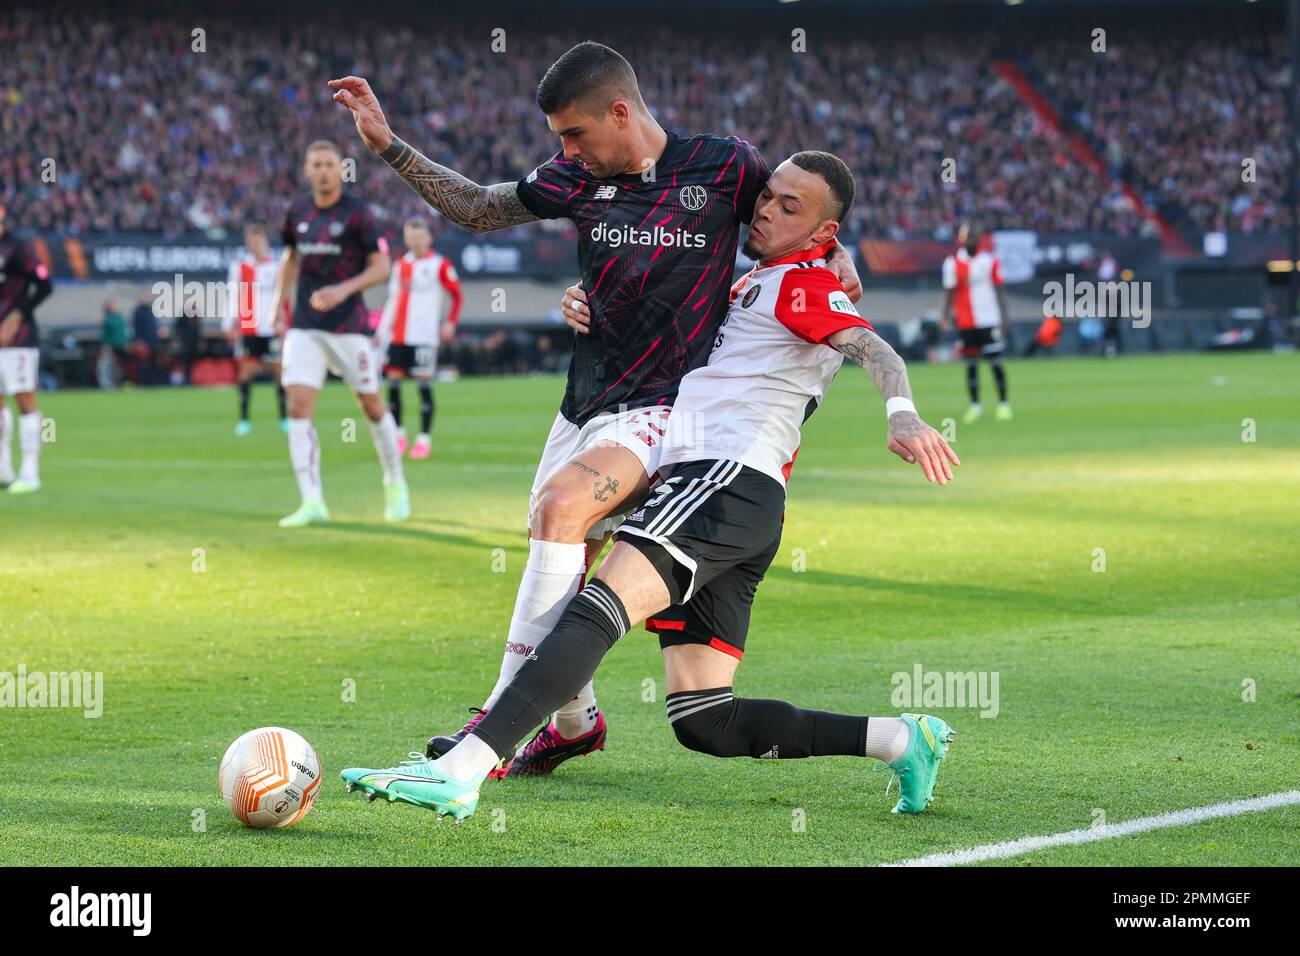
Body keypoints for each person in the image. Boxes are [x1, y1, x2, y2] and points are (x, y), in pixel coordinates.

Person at [341, 152, 959, 821]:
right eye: (769, 196)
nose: (767, 209)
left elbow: (874, 349)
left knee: (598, 604)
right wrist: (590, 303)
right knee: (704, 718)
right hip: (742, 503)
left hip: (722, 480)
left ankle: (463, 767)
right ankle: (901, 738)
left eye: (791, 208)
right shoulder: (756, 283)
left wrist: (903, 413)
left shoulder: (802, 284)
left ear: (822, 234)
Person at [330, 42, 862, 775]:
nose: (566, 150)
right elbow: (482, 209)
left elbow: (802, 209)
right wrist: (389, 146)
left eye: (574, 133)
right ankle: (575, 721)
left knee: (561, 509)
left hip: (665, 407)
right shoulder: (574, 177)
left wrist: (842, 257)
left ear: (621, 112)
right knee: (559, 548)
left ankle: (492, 728)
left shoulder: (725, 167)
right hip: (585, 400)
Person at [267, 140, 405, 527]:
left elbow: (382, 266)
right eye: (317, 164)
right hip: (306, 327)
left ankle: (395, 483)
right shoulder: (297, 212)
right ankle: (312, 501)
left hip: (349, 327)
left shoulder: (358, 214)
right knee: (297, 404)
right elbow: (291, 258)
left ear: (340, 170)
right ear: (307, 170)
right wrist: (278, 304)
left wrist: (343, 290)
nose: (324, 170)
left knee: (372, 406)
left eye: (330, 164)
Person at [374, 218, 461, 460]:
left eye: (419, 235)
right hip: (398, 335)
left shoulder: (439, 264)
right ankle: (399, 434)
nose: (415, 240)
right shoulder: (399, 265)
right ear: (405, 238)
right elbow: (392, 300)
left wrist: (450, 322)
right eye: (410, 236)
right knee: (393, 383)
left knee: (423, 384)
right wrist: (382, 330)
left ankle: (423, 439)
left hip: (424, 335)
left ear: (428, 238)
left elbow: (456, 295)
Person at [0, 202, 53, 494]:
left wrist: (17, 316)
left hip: (18, 340)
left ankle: (30, 473)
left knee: (24, 401)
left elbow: (45, 285)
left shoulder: (17, 248)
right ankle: (4, 470)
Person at [940, 223, 1011, 422]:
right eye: (967, 237)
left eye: (974, 236)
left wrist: (1004, 317)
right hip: (966, 322)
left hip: (989, 320)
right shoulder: (952, 263)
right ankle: (975, 406)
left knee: (995, 362)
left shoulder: (990, 262)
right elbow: (949, 292)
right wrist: (944, 316)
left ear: (979, 239)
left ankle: (1003, 404)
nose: (971, 240)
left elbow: (999, 291)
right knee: (971, 365)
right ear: (961, 239)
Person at [223, 223, 288, 436]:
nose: (255, 243)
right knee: (245, 373)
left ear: (266, 241)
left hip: (271, 328)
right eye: (251, 240)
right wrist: (228, 323)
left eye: (258, 239)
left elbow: (284, 298)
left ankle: (284, 419)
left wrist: (284, 323)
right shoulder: (239, 267)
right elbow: (233, 296)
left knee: (278, 372)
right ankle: (244, 420)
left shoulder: (277, 267)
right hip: (248, 327)